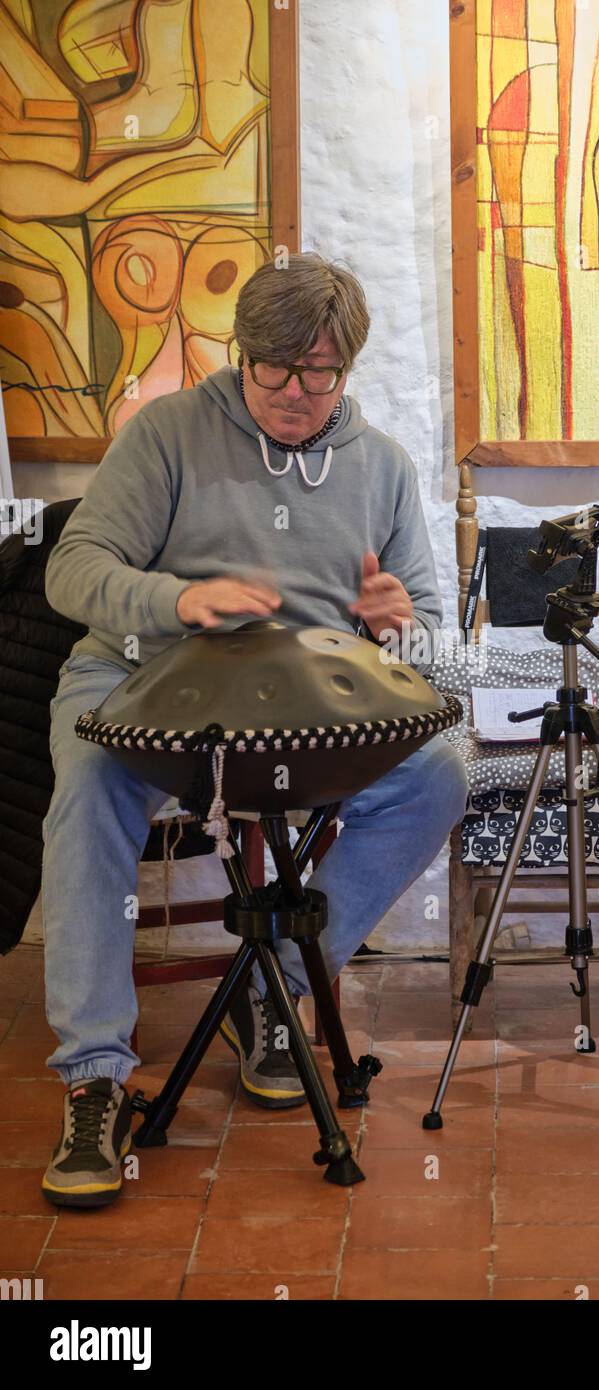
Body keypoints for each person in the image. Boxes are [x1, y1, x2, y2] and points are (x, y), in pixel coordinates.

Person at [39, 253, 468, 1207]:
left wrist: (405, 623)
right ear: (241, 357)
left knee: (437, 773)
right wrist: (180, 597)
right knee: (90, 792)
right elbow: (73, 573)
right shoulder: (169, 435)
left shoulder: (383, 467)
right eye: (269, 369)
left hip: (306, 707)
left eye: (316, 373)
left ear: (346, 368)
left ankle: (272, 989)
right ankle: (95, 1073)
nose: (290, 393)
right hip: (145, 680)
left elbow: (434, 634)